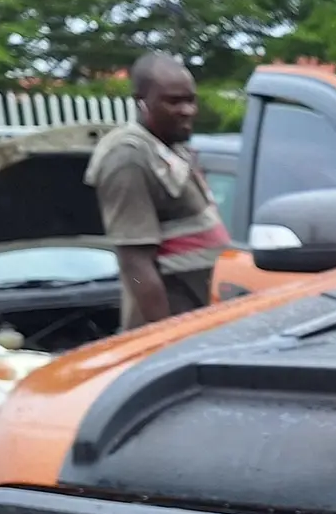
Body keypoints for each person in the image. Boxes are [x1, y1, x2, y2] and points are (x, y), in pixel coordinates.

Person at [85, 53, 229, 331]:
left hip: (205, 318)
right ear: (141, 102)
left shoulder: (171, 148)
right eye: (173, 101)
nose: (188, 110)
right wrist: (164, 336)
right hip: (173, 326)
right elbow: (134, 263)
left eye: (190, 100)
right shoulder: (128, 158)